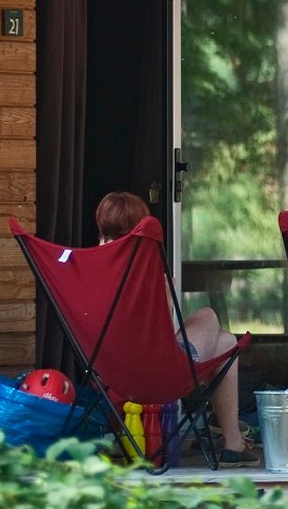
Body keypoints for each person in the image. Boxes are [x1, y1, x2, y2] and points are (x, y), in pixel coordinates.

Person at [94, 191, 254, 466]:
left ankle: (234, 445)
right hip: (159, 378)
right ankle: (233, 442)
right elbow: (164, 336)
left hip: (112, 380)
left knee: (226, 343)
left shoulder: (90, 272)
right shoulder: (149, 276)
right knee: (208, 315)